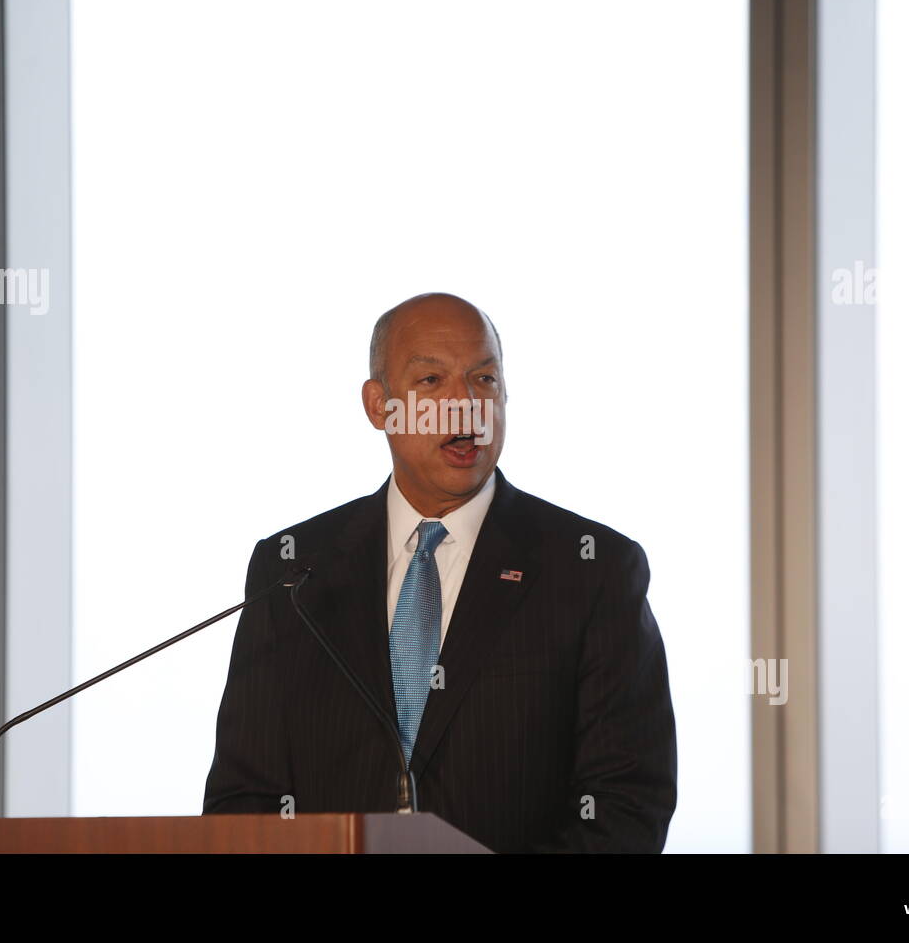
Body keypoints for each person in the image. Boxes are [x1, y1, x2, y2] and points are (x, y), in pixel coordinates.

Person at [202, 292, 676, 852]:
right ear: (379, 405)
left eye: (484, 381)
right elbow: (244, 798)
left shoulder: (592, 570)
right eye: (431, 382)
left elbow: (625, 804)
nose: (465, 407)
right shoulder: (293, 569)